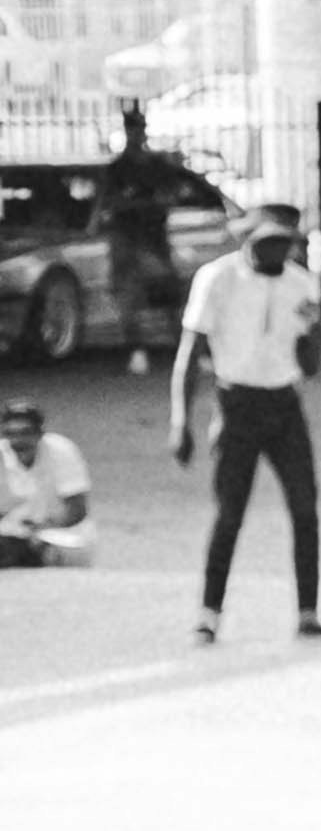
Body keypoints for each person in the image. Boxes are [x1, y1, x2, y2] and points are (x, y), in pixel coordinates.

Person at [171, 193, 321, 647]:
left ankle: (308, 612)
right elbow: (191, 353)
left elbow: (311, 364)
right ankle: (208, 613)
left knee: (305, 509)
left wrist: (314, 336)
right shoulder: (217, 279)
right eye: (269, 243)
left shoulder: (301, 285)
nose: (279, 253)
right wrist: (180, 419)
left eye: (286, 244)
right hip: (236, 403)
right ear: (249, 241)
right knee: (229, 513)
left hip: (284, 404)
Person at [98, 98, 187, 371]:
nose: (137, 135)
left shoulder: (156, 166)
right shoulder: (118, 168)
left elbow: (170, 194)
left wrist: (141, 201)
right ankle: (137, 350)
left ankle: (180, 349)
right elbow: (111, 201)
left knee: (168, 293)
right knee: (130, 296)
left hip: (152, 236)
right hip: (128, 237)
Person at [0, 393, 91, 565]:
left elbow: (77, 510)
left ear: (40, 433)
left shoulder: (62, 451)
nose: (18, 441)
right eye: (10, 434)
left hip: (65, 536)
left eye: (25, 433)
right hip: (15, 534)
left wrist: (41, 528)